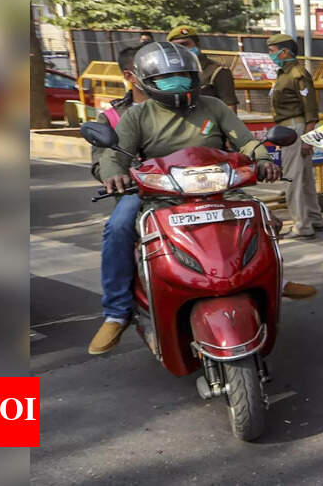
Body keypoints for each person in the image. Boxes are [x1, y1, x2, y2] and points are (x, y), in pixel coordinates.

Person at [88, 42, 283, 355]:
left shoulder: (214, 106)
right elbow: (114, 155)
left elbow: (246, 142)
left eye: (182, 75)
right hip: (156, 190)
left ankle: (271, 282)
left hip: (218, 185)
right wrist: (115, 175)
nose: (175, 83)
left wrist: (263, 160)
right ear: (142, 81)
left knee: (263, 219)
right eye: (167, 77)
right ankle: (116, 311)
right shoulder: (138, 115)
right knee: (119, 228)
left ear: (195, 76)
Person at [266, 33, 323, 239]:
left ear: (285, 52)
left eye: (273, 51)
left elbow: (310, 108)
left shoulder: (297, 74)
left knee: (292, 178)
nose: (270, 55)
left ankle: (302, 225)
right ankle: (314, 219)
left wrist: (307, 137)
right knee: (305, 177)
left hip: (295, 129)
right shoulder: (284, 73)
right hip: (292, 128)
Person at [90, 46, 146, 182]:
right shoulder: (111, 117)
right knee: (128, 204)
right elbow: (100, 163)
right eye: (148, 70)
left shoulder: (187, 106)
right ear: (129, 76)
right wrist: (115, 176)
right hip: (139, 191)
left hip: (190, 184)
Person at [167, 26, 240, 113]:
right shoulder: (169, 72)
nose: (181, 49)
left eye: (185, 44)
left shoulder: (217, 71)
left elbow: (229, 106)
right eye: (176, 46)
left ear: (197, 44)